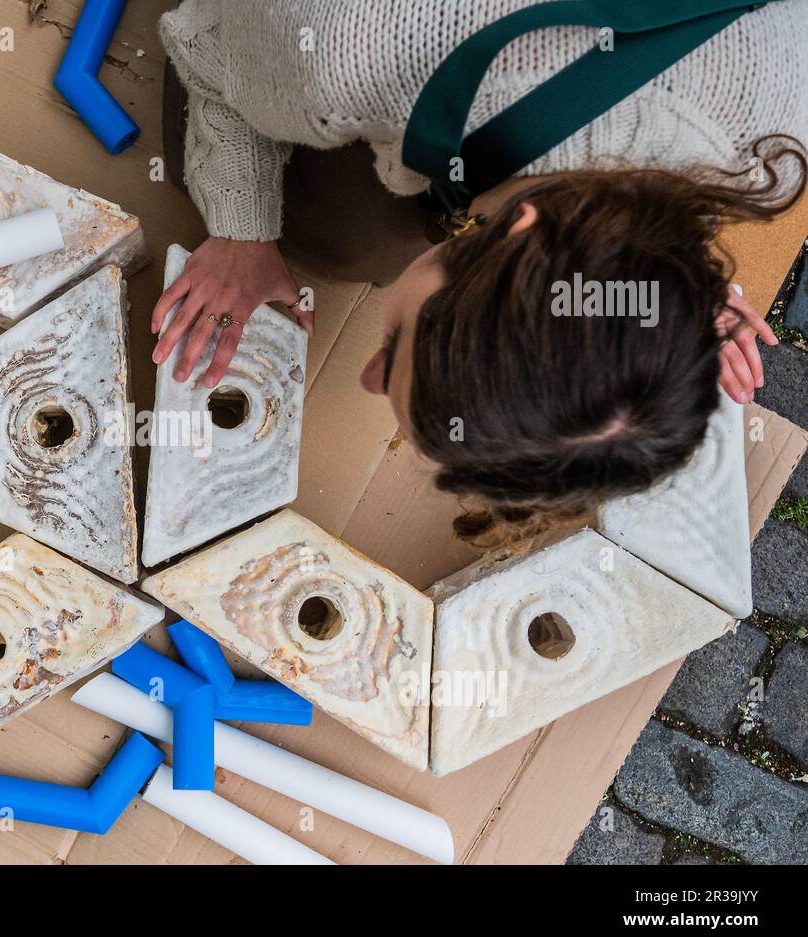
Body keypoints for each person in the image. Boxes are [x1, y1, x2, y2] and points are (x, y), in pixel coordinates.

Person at [151, 0, 808, 540]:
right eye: (396, 342)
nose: (366, 377)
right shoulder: (347, 44)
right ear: (509, 235)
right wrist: (242, 232)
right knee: (342, 242)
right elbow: (200, 44)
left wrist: (673, 303)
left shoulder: (776, 130)